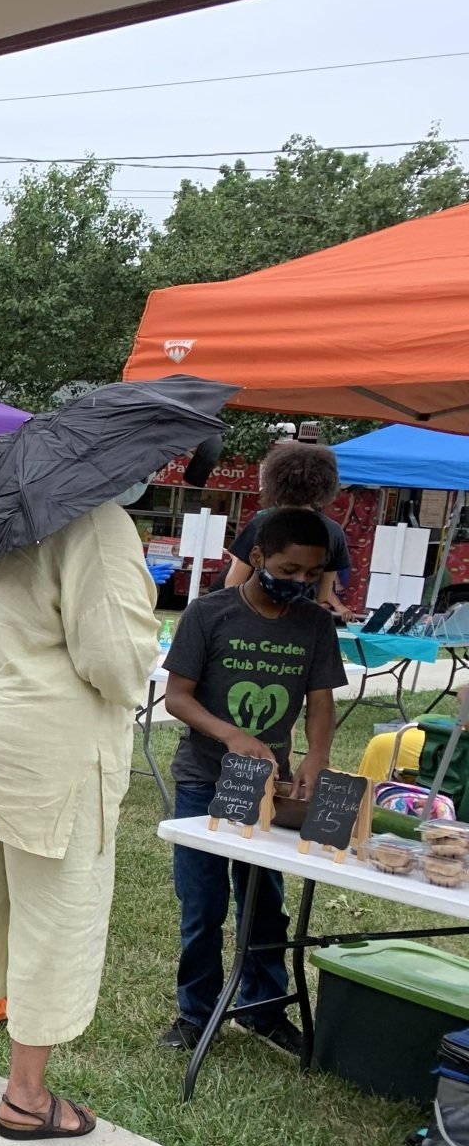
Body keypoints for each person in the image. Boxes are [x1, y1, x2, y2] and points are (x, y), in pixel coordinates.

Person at [0, 482, 161, 1140]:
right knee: (55, 913)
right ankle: (25, 1095)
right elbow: (117, 657)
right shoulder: (95, 519)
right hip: (47, 745)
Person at [160, 506, 345, 1053]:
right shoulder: (208, 613)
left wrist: (316, 756)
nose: (300, 582)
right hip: (204, 781)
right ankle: (196, 1013)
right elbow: (177, 698)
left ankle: (263, 1009)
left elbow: (321, 701)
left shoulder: (314, 624)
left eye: (312, 574)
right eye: (288, 570)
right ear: (258, 557)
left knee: (264, 904)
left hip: (271, 790)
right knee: (203, 905)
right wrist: (230, 735)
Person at [221, 441, 351, 617]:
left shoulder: (261, 524)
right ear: (325, 484)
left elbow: (232, 584)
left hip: (255, 616)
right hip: (299, 620)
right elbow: (323, 595)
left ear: (276, 480)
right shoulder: (334, 531)